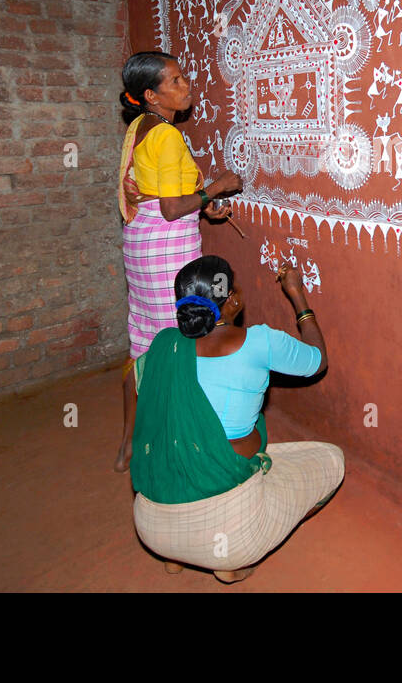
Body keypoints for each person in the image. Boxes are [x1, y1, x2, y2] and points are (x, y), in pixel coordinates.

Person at [130, 256, 344, 583]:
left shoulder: (164, 347)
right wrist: (297, 296)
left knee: (211, 448)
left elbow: (131, 382)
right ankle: (231, 562)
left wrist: (122, 446)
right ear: (233, 300)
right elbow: (318, 360)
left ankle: (174, 557)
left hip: (151, 525)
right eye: (236, 283)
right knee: (332, 459)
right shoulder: (258, 342)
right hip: (231, 532)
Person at [115, 51, 242, 472]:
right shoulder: (166, 135)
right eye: (173, 82)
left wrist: (204, 205)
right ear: (150, 95)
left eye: (183, 77)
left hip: (141, 243)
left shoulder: (141, 126)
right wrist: (217, 188)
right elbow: (171, 208)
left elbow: (156, 193)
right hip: (167, 245)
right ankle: (187, 436)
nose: (186, 86)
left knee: (145, 340)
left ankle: (132, 441)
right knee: (184, 336)